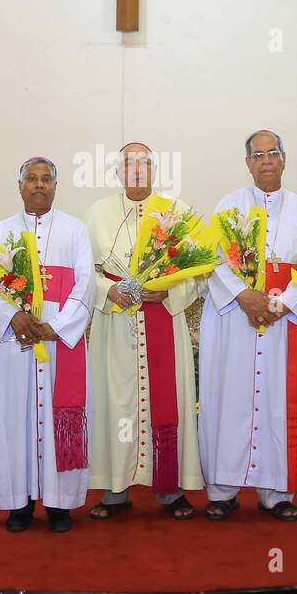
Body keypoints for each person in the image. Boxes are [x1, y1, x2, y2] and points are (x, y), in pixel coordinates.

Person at [200, 129, 297, 522]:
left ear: (284, 159)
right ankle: (222, 489)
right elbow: (213, 260)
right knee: (228, 397)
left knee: (276, 402)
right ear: (248, 163)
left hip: (282, 318)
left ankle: (277, 491)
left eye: (273, 153)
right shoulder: (228, 205)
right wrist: (243, 295)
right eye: (258, 154)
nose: (266, 160)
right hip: (235, 318)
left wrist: (283, 303)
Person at [85, 142, 203, 521]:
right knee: (116, 402)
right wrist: (109, 291)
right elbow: (84, 272)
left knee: (167, 401)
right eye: (128, 163)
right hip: (115, 322)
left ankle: (169, 488)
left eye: (144, 163)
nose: (136, 169)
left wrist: (171, 289)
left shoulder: (177, 212)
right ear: (118, 171)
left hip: (163, 321)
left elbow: (198, 272)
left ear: (154, 170)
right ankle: (115, 489)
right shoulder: (97, 213)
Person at [0, 157, 94, 533]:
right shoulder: (1, 230)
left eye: (46, 179)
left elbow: (85, 285)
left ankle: (60, 505)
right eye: (32, 179)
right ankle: (18, 502)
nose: (39, 185)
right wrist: (14, 317)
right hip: (16, 344)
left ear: (56, 187)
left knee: (58, 417)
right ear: (20, 185)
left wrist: (55, 327)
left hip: (59, 344)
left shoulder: (75, 230)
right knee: (15, 417)